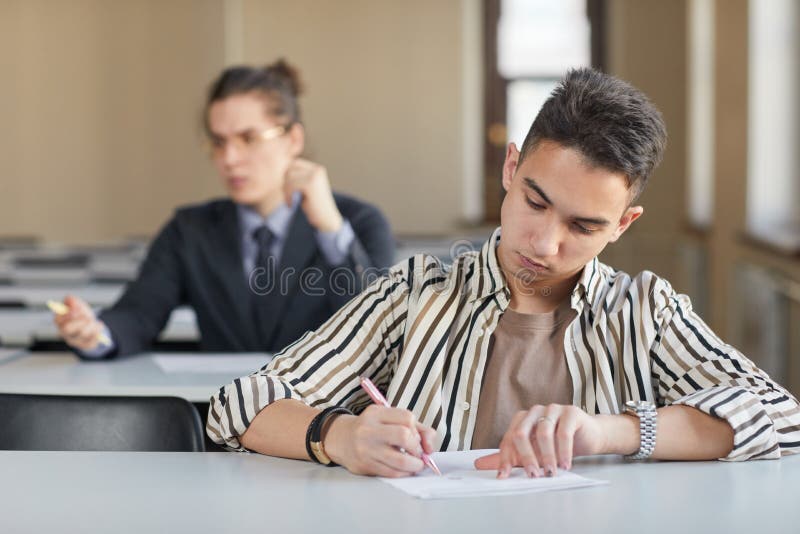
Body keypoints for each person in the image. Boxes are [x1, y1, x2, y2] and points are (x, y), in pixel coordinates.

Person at [207, 68, 800, 477]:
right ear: (511, 167)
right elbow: (240, 404)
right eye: (535, 202)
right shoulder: (415, 295)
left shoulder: (645, 312)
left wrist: (609, 432)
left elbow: (782, 418)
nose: (544, 243)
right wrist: (338, 436)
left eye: (584, 227)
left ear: (623, 225)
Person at [54, 60, 394, 358]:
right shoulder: (189, 230)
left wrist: (331, 229)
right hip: (222, 417)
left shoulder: (359, 223)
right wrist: (94, 334)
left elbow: (379, 331)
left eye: (248, 138)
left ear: (293, 140)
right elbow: (140, 313)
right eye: (218, 143)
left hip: (328, 414)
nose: (229, 159)